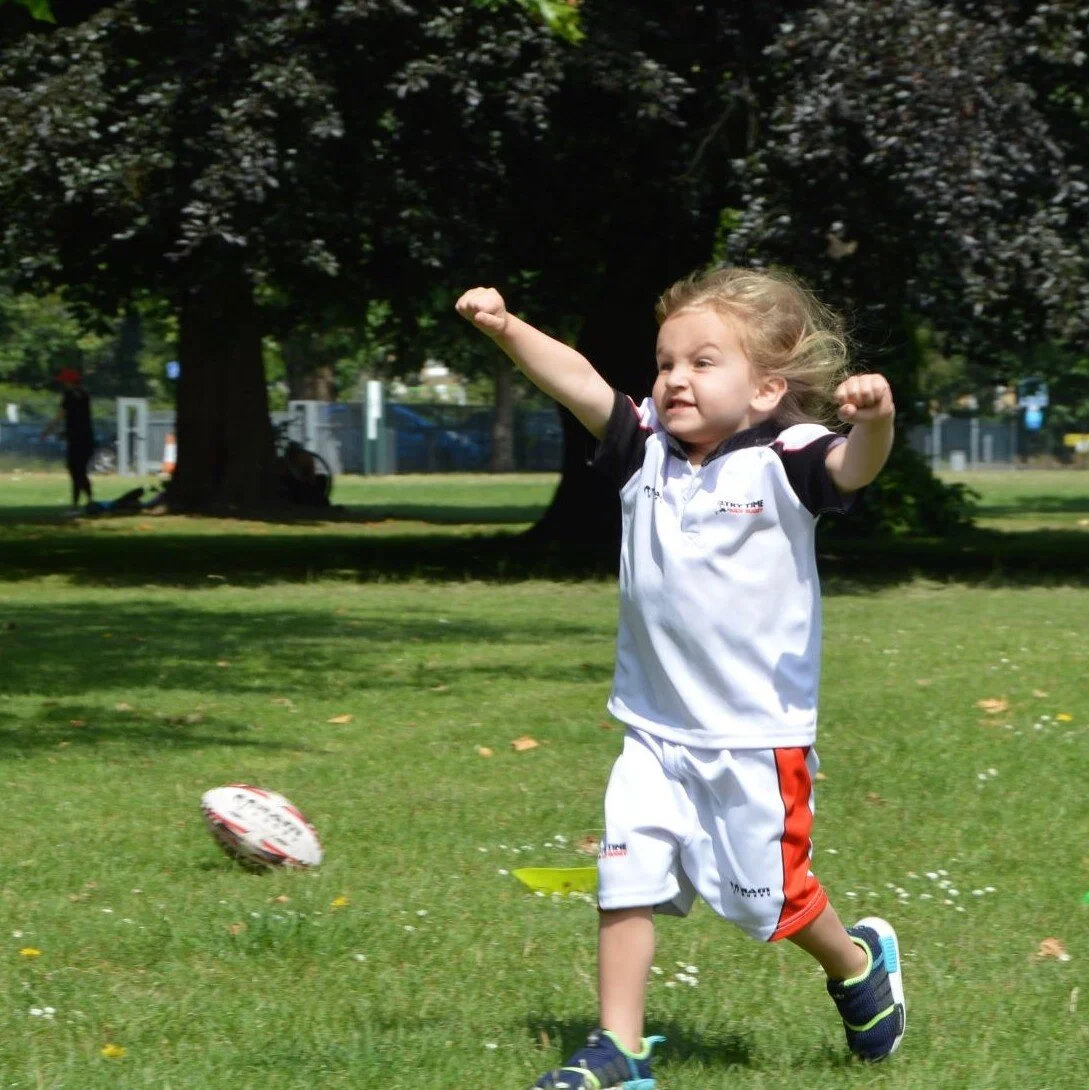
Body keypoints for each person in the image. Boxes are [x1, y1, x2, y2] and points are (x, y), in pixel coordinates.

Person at [456, 266, 904, 1090]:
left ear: (765, 389)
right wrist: (506, 328)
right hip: (652, 732)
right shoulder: (643, 451)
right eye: (665, 363)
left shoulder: (787, 459)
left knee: (768, 903)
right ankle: (618, 1048)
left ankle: (856, 963)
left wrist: (874, 419)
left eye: (702, 363)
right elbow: (577, 380)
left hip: (755, 738)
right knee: (623, 875)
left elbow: (854, 468)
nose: (674, 380)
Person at [41, 368, 94, 511]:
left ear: (69, 382)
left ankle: (79, 503)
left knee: (75, 470)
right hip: (86, 437)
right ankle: (88, 500)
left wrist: (47, 430)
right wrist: (65, 432)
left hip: (76, 439)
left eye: (64, 382)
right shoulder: (85, 394)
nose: (63, 384)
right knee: (79, 470)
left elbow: (62, 415)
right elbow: (80, 419)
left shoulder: (69, 395)